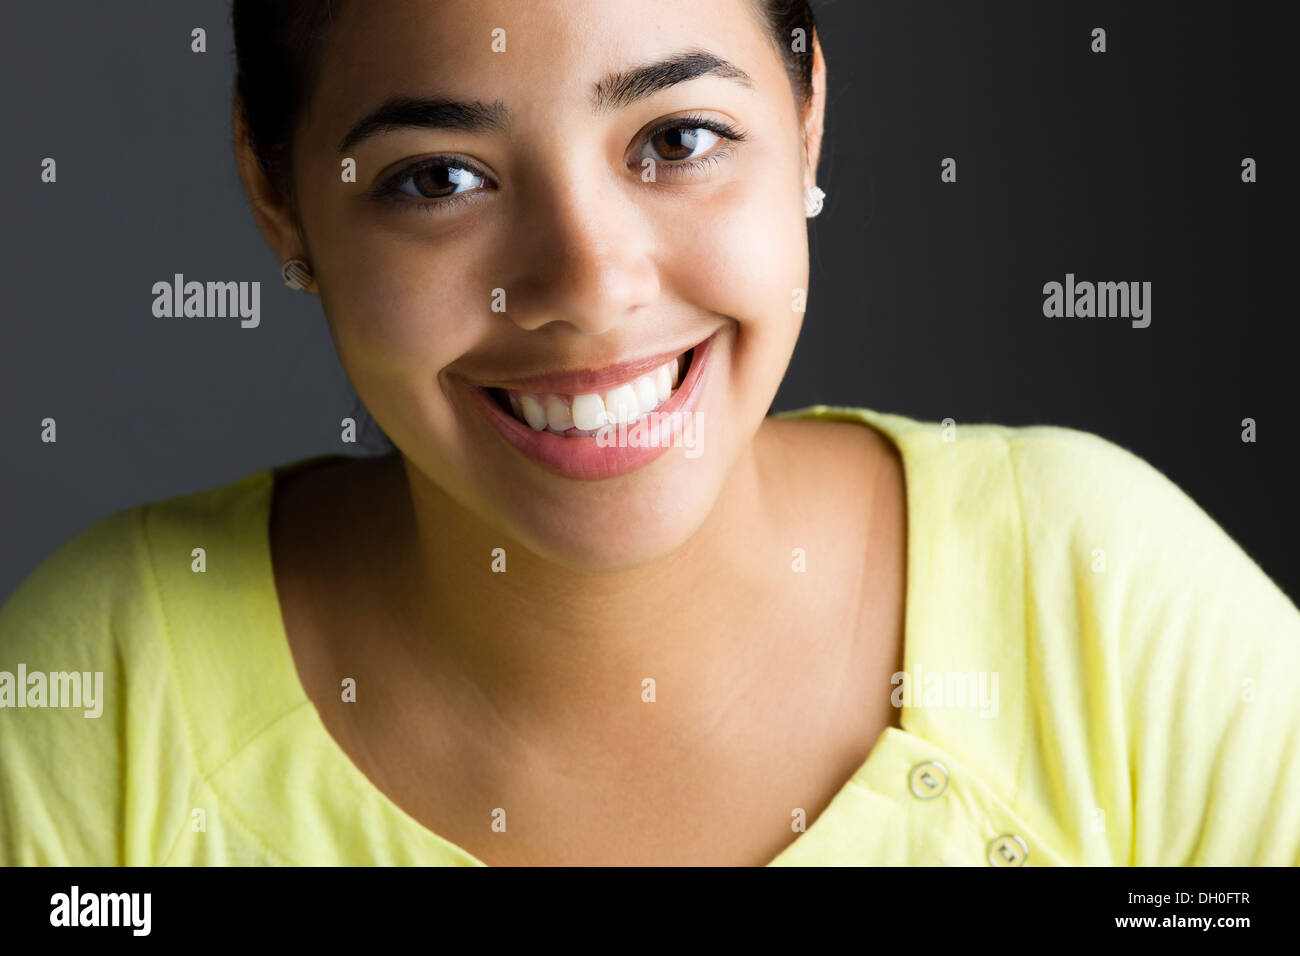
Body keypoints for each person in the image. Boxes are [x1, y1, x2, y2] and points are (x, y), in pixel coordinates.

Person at [2, 0, 1297, 866]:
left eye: (679, 138)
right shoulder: (98, 708)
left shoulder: (1108, 611)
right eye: (439, 178)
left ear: (806, 124)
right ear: (276, 198)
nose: (590, 282)